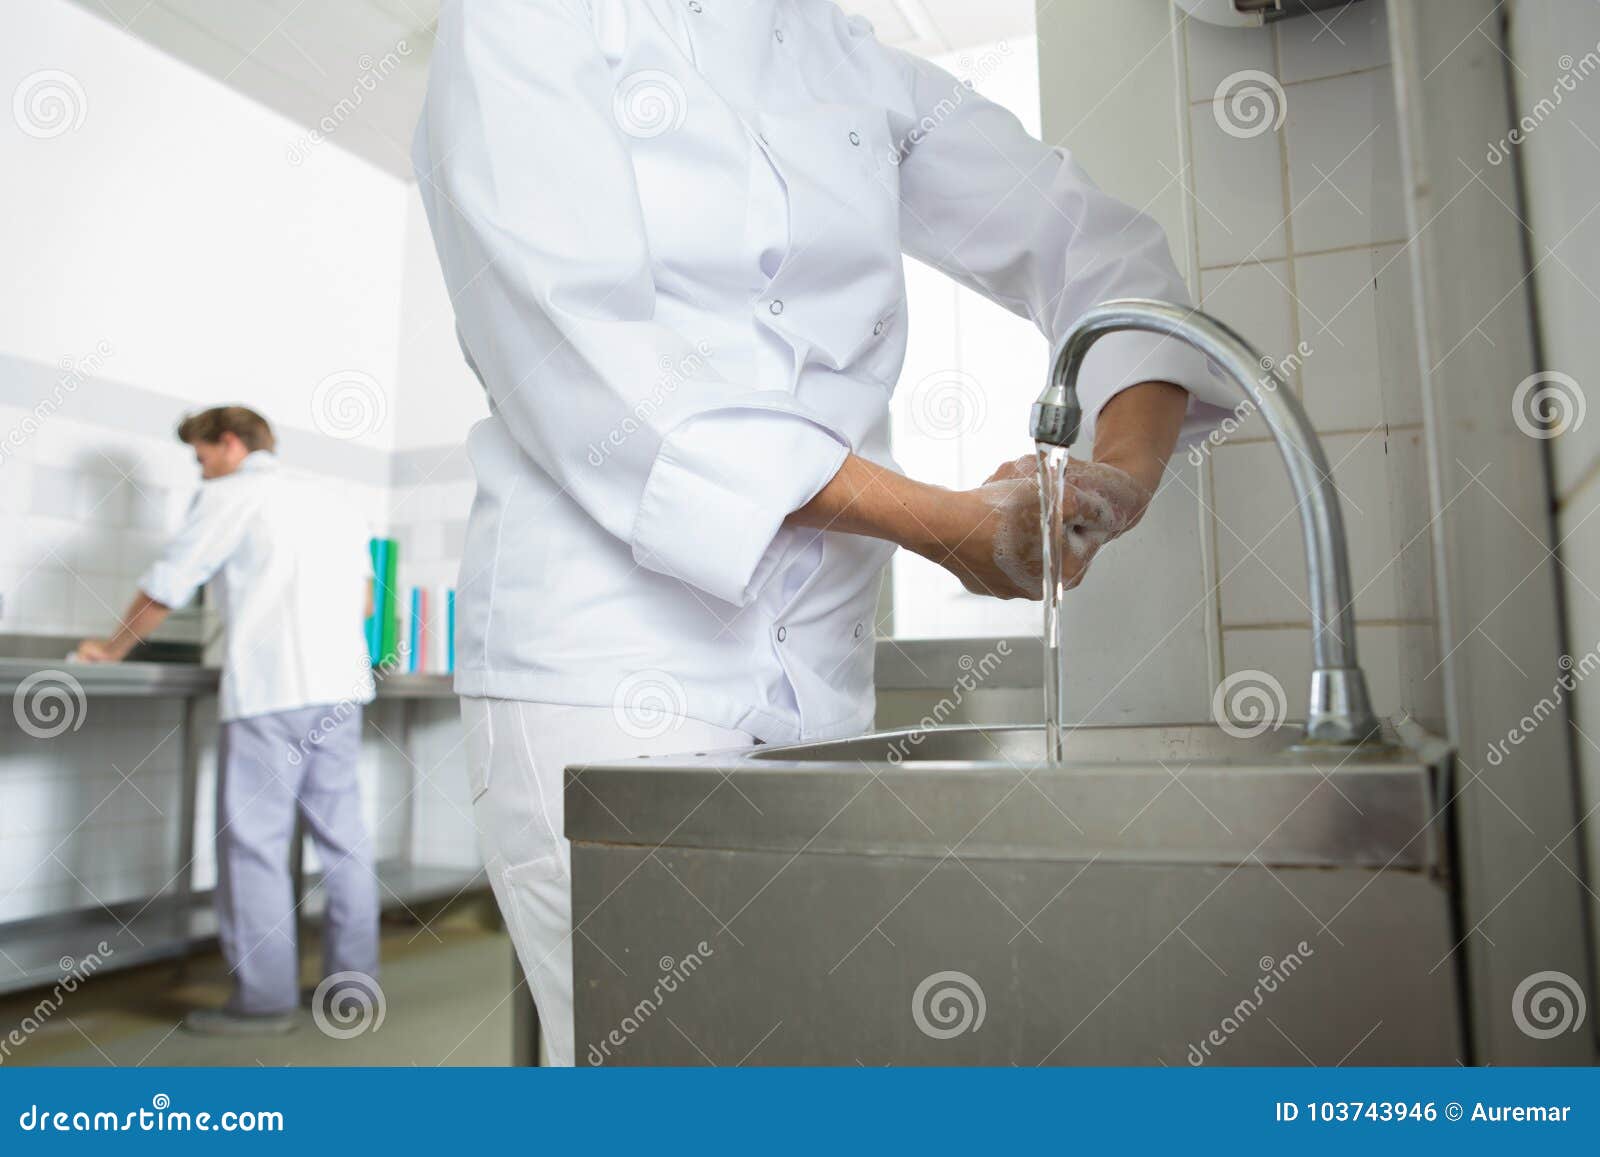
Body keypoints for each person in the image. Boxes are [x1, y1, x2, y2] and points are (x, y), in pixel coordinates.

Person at [412, 0, 1236, 1065]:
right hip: (606, 663)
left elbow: (1096, 247)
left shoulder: (854, 63)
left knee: (805, 1051)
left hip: (822, 672)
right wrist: (936, 523)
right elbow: (581, 357)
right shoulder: (527, 22)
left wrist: (1116, 474)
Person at [75, 406, 379, 1035]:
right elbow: (368, 596)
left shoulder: (234, 495)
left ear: (231, 444)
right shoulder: (335, 500)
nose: (201, 468)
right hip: (341, 688)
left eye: (201, 455)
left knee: (255, 846)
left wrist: (110, 649)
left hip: (274, 692)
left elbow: (169, 582)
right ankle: (353, 991)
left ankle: (264, 1004)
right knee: (344, 842)